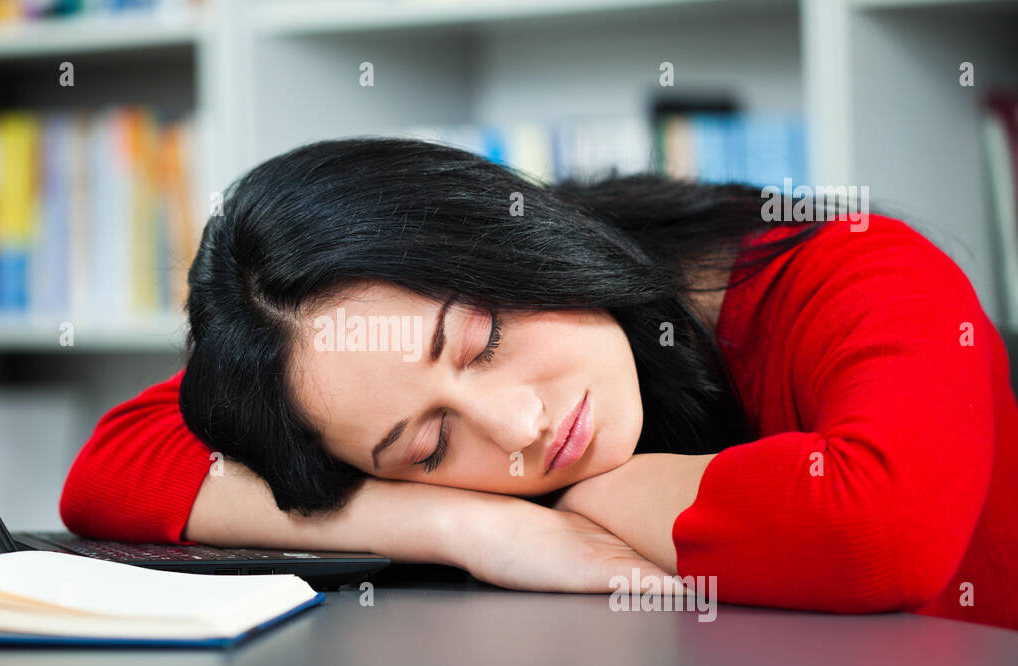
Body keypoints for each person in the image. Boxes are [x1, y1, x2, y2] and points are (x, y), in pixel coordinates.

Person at [61, 137, 1018, 630]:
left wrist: (593, 492)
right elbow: (114, 462)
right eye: (428, 448)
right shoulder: (397, 427)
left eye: (481, 341)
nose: (518, 425)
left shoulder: (848, 269)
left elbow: (873, 526)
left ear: (515, 238)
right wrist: (468, 524)